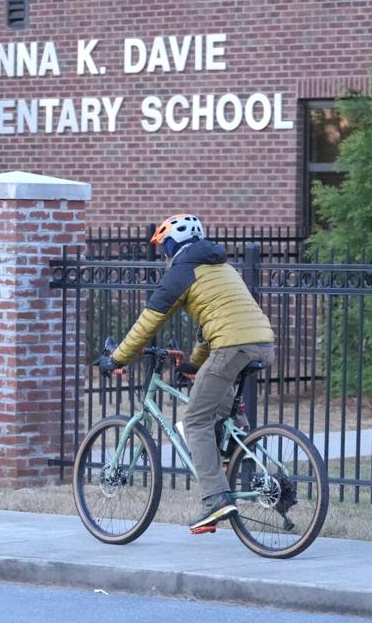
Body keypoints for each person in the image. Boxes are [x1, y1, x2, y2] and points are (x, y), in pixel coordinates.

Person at [98, 214, 275, 532]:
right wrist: (193, 365)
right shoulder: (221, 268)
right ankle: (239, 454)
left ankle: (215, 500)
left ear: (170, 244)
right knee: (220, 407)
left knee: (195, 420)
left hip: (232, 347)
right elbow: (216, 326)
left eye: (164, 246)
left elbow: (148, 322)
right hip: (261, 343)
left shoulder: (181, 271)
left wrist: (118, 358)